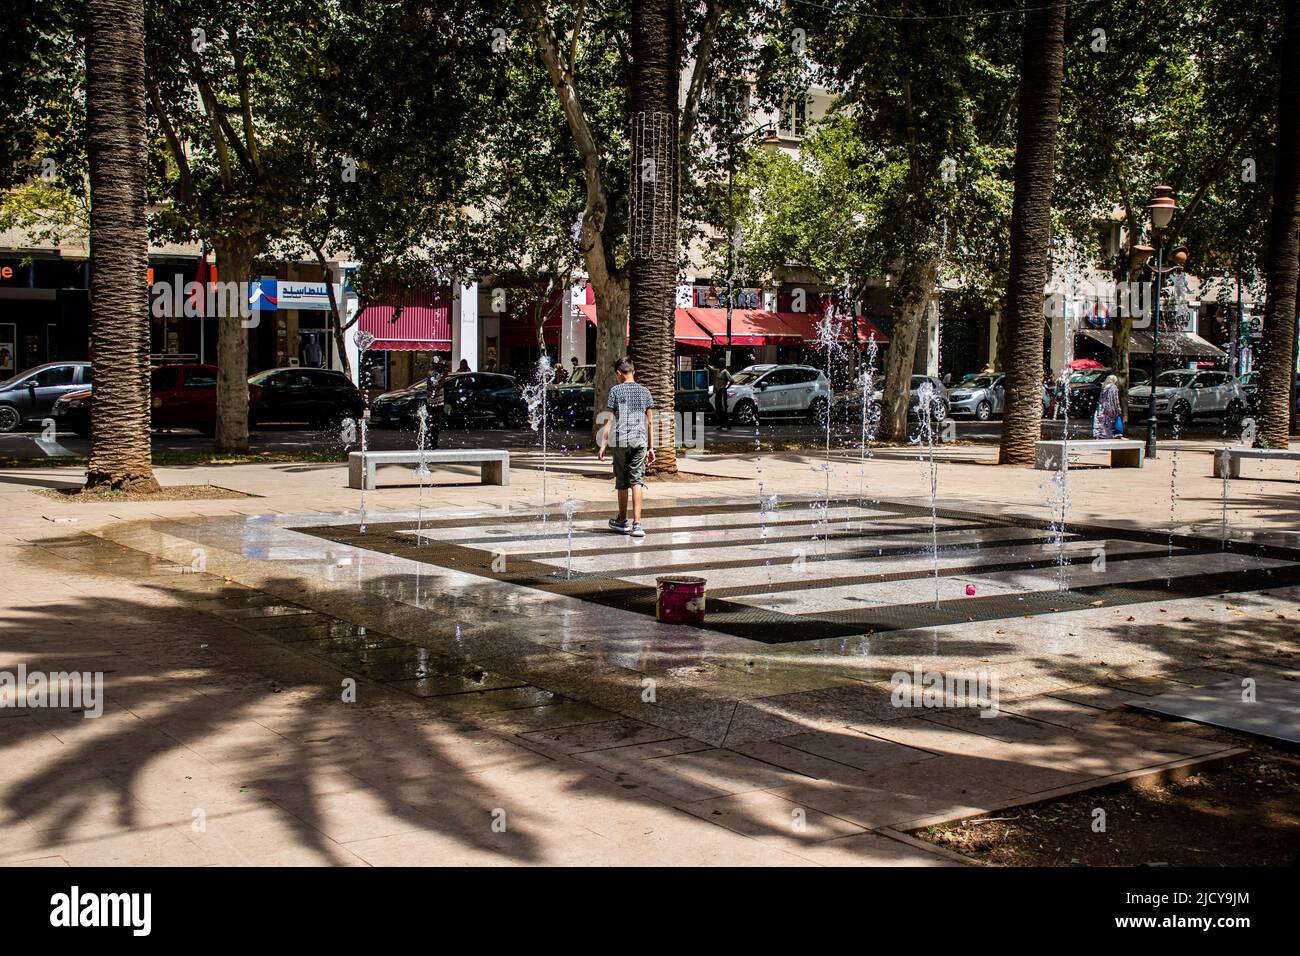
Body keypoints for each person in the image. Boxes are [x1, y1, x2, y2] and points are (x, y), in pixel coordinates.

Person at [597, 357, 655, 537]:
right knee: (637, 480)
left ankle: (622, 521)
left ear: (618, 374)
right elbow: (650, 423)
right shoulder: (645, 392)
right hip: (640, 442)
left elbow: (609, 420)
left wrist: (603, 444)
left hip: (621, 441)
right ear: (633, 371)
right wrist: (651, 448)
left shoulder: (615, 390)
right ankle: (637, 524)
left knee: (622, 482)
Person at [425, 358, 448, 449]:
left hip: (439, 404)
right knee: (432, 423)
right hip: (433, 403)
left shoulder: (438, 374)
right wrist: (444, 377)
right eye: (440, 364)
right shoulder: (432, 374)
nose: (442, 366)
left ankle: (434, 443)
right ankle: (430, 443)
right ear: (435, 365)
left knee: (437, 424)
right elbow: (437, 387)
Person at [1093, 374, 1122, 438]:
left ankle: (1101, 434)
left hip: (1102, 406)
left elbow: (1100, 398)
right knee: (1110, 422)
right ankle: (1109, 435)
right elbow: (1115, 399)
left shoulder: (1104, 386)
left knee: (1102, 421)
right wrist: (1118, 408)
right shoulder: (1113, 387)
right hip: (1110, 407)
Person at [710, 358, 732, 430]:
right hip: (718, 392)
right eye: (718, 362)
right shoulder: (718, 371)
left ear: (723, 364)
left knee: (723, 409)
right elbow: (711, 369)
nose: (718, 363)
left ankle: (727, 424)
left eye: (720, 362)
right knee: (718, 409)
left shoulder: (725, 372)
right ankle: (722, 424)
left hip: (722, 392)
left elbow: (731, 380)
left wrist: (726, 387)